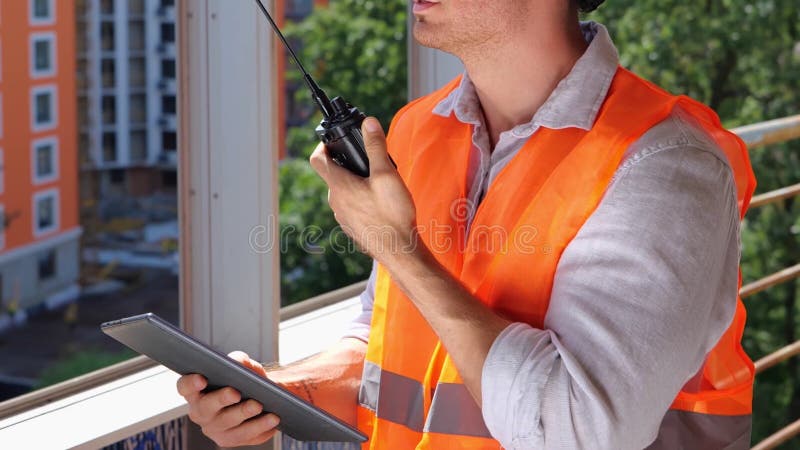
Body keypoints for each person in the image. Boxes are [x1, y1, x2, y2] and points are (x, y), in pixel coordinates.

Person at [177, 0, 757, 448]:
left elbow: (573, 432)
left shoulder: (663, 164)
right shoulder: (414, 132)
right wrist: (277, 391)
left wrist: (399, 250)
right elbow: (385, 346)